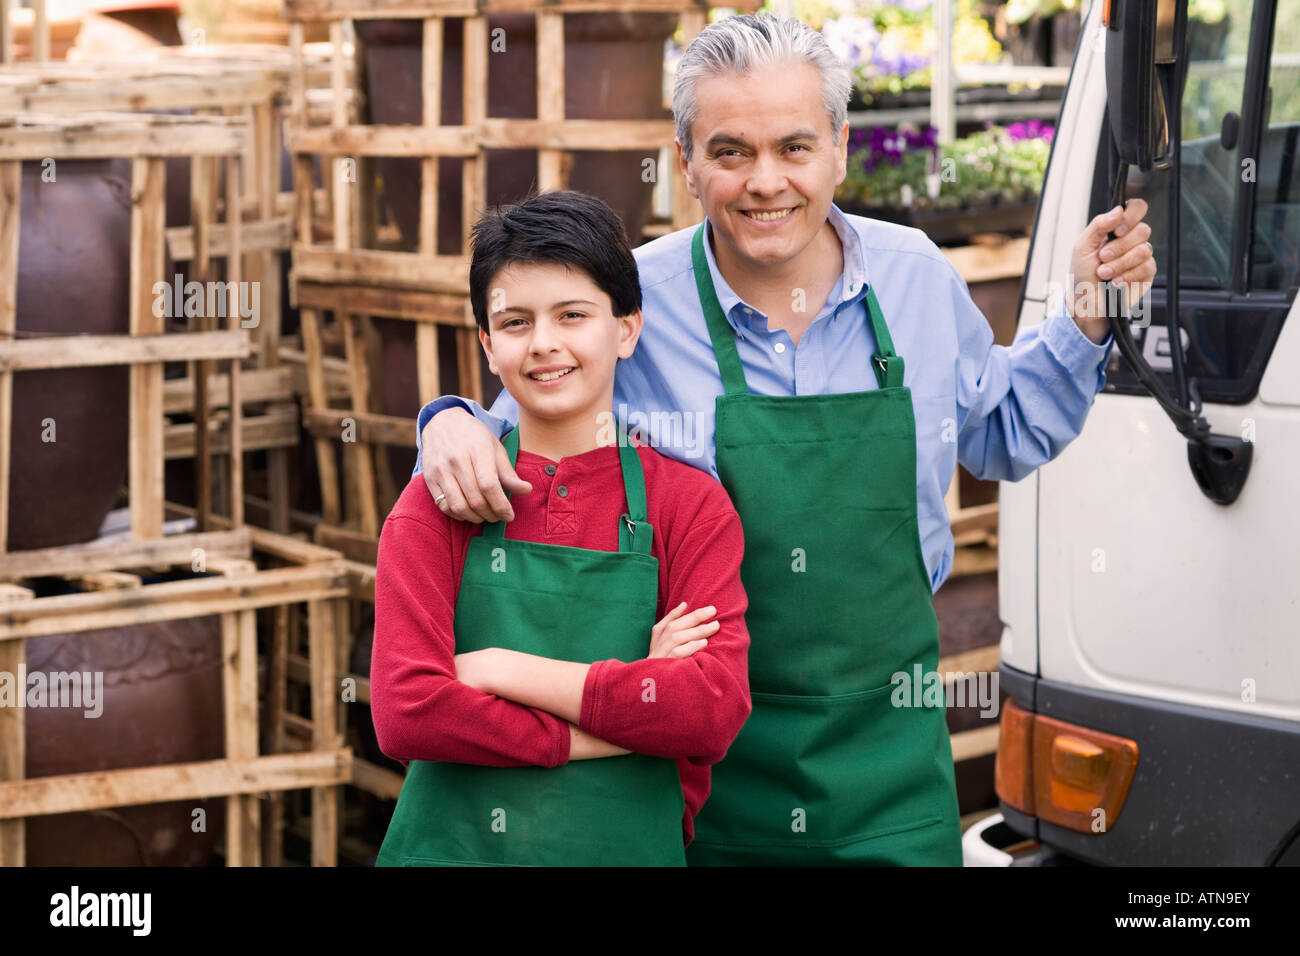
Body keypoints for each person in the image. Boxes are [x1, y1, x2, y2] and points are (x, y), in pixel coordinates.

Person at [413, 14, 1157, 865]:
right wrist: (451, 423)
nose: (766, 182)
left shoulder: (914, 279)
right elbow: (509, 439)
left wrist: (1086, 318)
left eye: (795, 148)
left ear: (840, 147)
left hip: (890, 764)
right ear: (686, 160)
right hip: (687, 766)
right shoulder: (632, 303)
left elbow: (1003, 432)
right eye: (730, 152)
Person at [370, 190, 751, 866]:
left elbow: (710, 710)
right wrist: (619, 718)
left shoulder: (689, 507)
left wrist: (496, 668)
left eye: (572, 315)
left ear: (627, 328)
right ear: (488, 345)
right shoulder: (437, 504)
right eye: (515, 322)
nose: (544, 343)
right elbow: (407, 712)